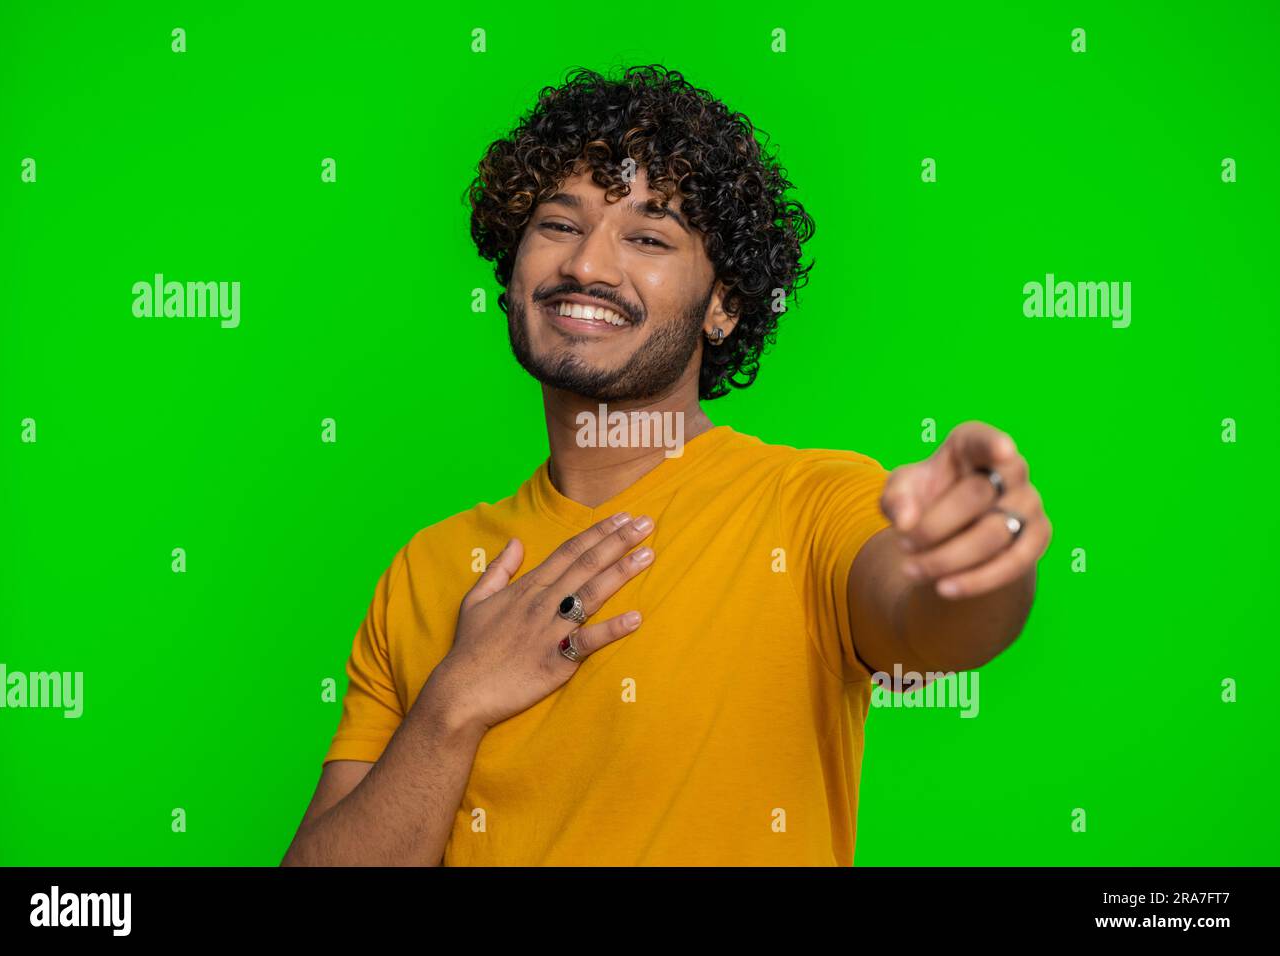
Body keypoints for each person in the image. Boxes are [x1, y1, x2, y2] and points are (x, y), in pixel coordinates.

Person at [280, 65, 1050, 867]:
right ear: (509, 276)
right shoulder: (428, 569)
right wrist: (456, 700)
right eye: (557, 225)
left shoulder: (807, 505)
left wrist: (977, 558)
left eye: (649, 238)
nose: (587, 267)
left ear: (724, 307)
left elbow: (927, 624)